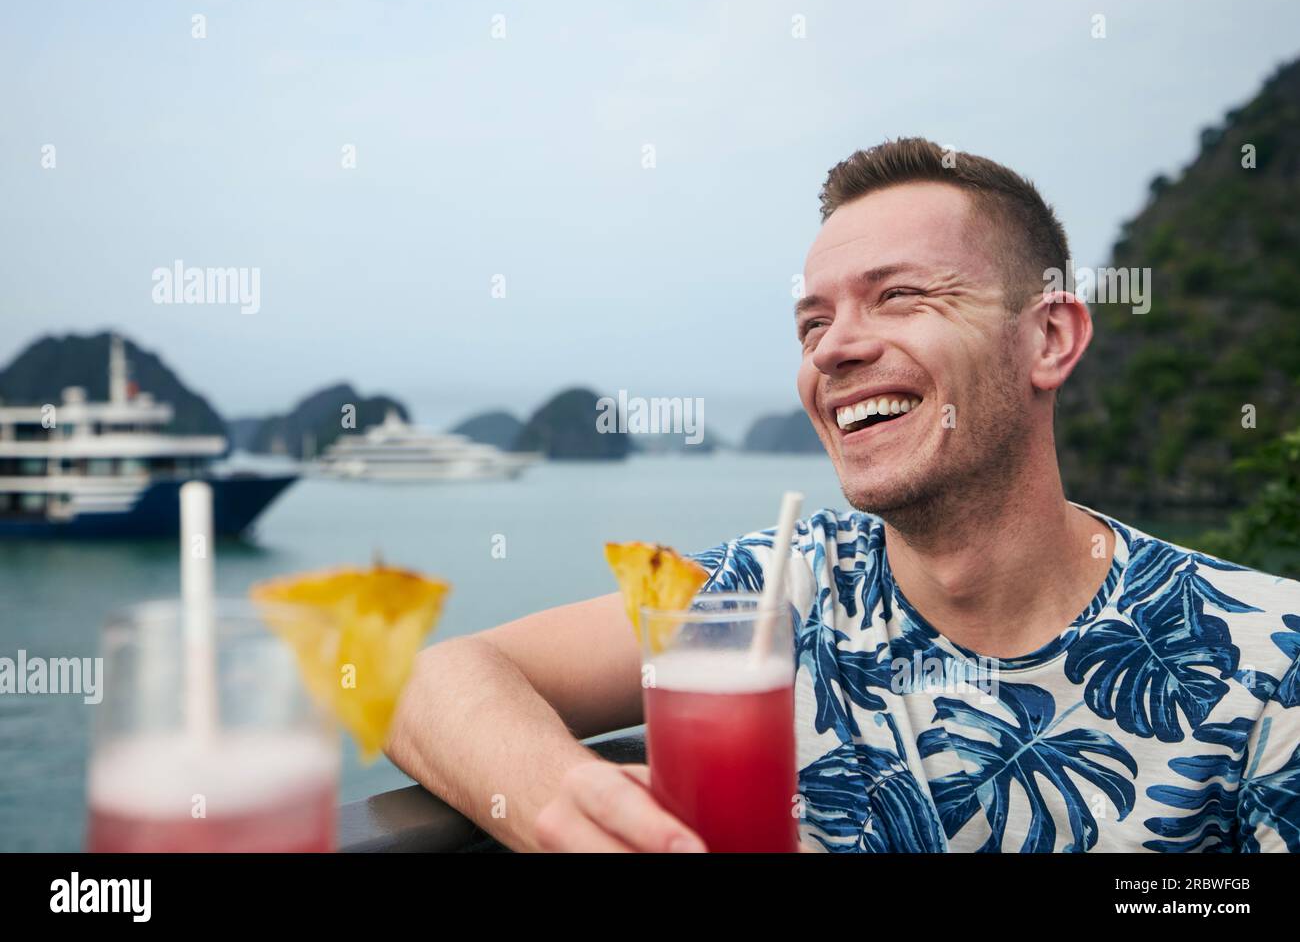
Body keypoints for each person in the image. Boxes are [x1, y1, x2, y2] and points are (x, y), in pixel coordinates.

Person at [387, 138, 1300, 852]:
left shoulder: (1266, 663)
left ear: (1049, 339)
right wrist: (564, 803)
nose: (831, 349)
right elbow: (423, 678)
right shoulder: (773, 597)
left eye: (898, 296)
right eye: (812, 323)